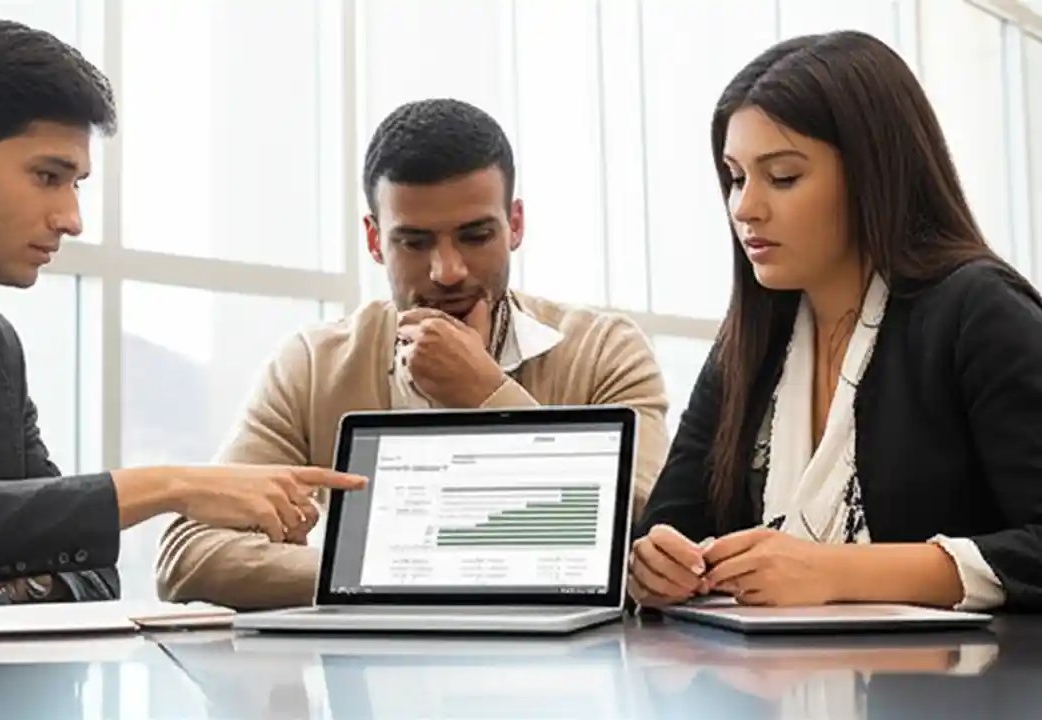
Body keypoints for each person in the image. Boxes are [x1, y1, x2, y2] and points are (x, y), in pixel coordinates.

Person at [0, 18, 364, 631]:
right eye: (48, 177)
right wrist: (170, 486)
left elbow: (89, 571)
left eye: (75, 184)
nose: (72, 218)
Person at [158, 98, 671, 610]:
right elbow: (189, 553)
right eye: (413, 242)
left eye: (476, 236)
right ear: (374, 239)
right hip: (374, 658)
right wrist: (385, 574)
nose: (447, 271)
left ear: (515, 224)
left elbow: (647, 536)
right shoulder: (314, 365)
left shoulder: (604, 350)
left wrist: (487, 395)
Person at [630, 30, 1042, 612]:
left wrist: (838, 572)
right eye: (736, 177)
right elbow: (670, 525)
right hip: (762, 670)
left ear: (875, 173)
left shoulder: (978, 311)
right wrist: (656, 565)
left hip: (960, 672)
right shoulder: (749, 341)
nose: (744, 207)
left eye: (783, 177)